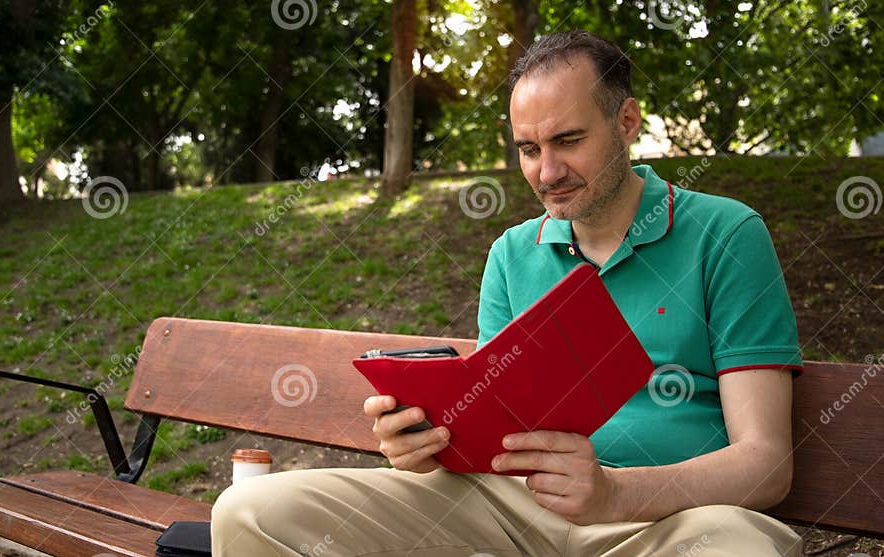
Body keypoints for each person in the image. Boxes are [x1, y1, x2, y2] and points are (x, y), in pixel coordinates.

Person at [211, 30, 804, 556]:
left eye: (568, 141)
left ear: (626, 122)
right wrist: (422, 442)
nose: (547, 173)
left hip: (669, 521)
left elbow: (766, 462)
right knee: (252, 513)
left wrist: (614, 493)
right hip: (513, 506)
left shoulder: (725, 234)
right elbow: (494, 425)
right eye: (528, 149)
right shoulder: (513, 254)